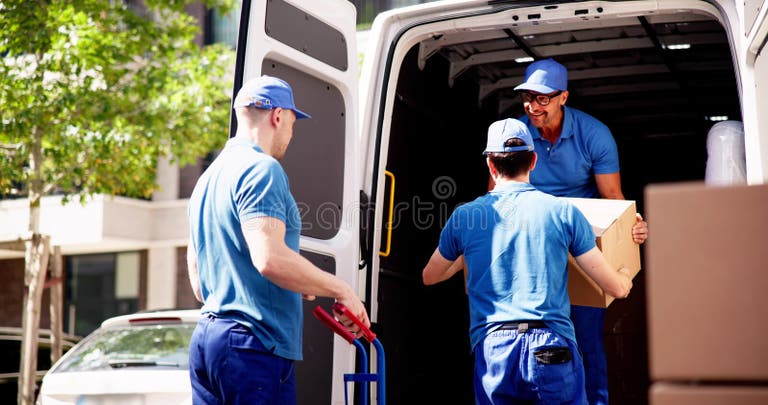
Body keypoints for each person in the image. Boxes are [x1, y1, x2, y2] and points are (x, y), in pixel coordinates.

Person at [186, 75, 370, 404]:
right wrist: (342, 290)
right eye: (293, 124)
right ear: (278, 116)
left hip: (207, 342)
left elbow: (199, 282)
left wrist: (294, 283)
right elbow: (270, 259)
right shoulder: (262, 170)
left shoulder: (208, 179)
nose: (291, 135)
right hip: (252, 347)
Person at [422, 118, 633, 404]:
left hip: (495, 352)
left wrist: (469, 249)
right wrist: (625, 274)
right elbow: (615, 288)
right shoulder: (563, 212)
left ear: (490, 165)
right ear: (533, 161)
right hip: (551, 347)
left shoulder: (465, 217)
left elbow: (430, 276)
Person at [512, 58, 648, 405]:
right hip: (533, 244)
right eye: (528, 97)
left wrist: (630, 228)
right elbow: (500, 195)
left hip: (581, 243)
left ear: (563, 97)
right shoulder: (516, 135)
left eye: (543, 98)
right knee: (530, 339)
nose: (533, 106)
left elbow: (613, 199)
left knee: (585, 339)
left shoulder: (594, 135)